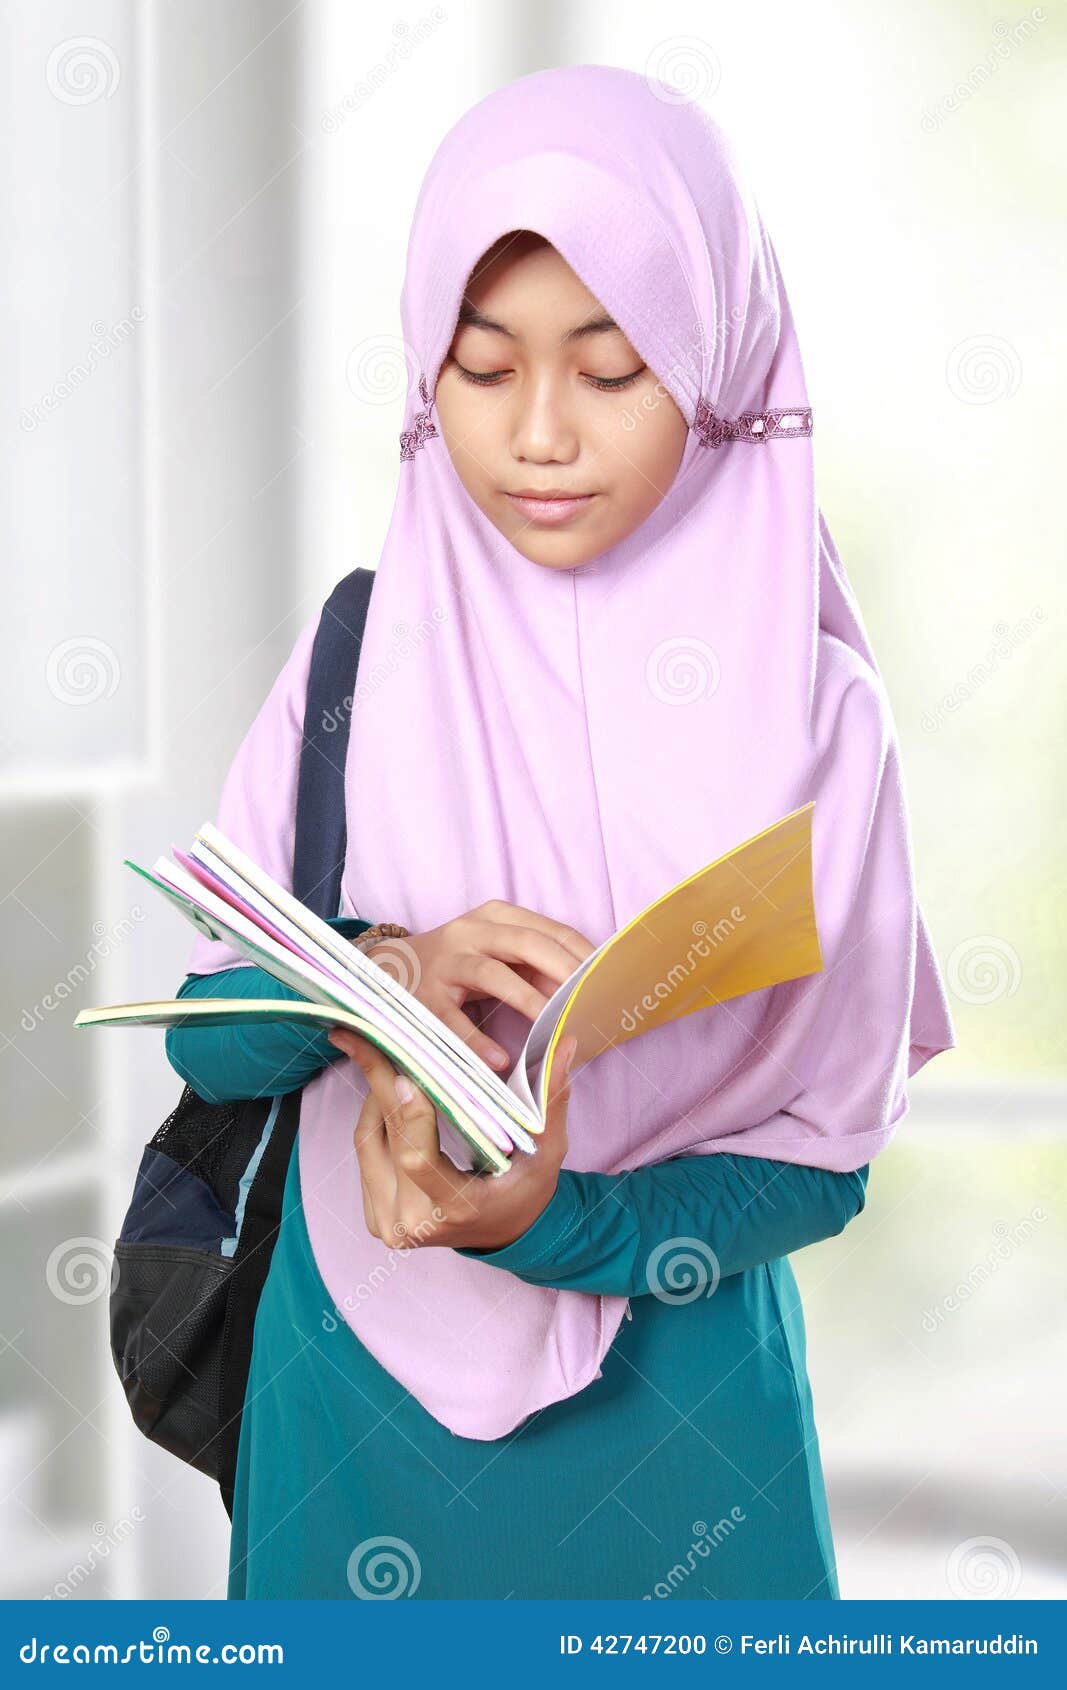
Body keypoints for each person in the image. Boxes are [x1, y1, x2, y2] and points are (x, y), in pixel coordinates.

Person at [166, 64, 955, 1601]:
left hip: (687, 1421)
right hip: (351, 1393)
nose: (540, 434)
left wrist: (566, 1221)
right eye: (481, 367)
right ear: (424, 373)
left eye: (613, 370)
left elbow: (824, 1160)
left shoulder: (823, 717)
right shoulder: (353, 656)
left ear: (720, 370)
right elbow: (207, 1044)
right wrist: (374, 974)